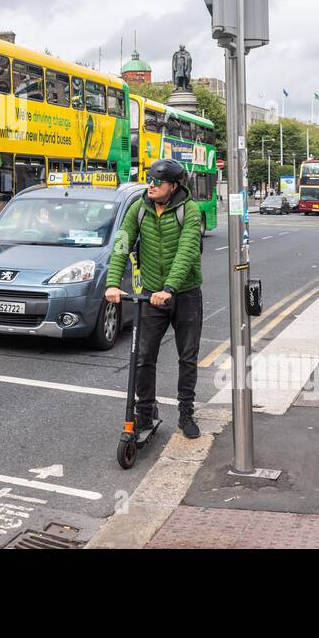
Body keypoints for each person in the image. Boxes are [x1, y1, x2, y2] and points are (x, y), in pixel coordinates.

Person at [105, 157, 204, 439]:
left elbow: (187, 252)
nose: (152, 185)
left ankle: (186, 414)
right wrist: (112, 283)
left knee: (187, 357)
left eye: (158, 181)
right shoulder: (138, 209)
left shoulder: (190, 211)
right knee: (143, 356)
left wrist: (169, 288)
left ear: (173, 186)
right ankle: (145, 412)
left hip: (184, 294)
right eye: (150, 179)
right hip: (150, 294)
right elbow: (122, 244)